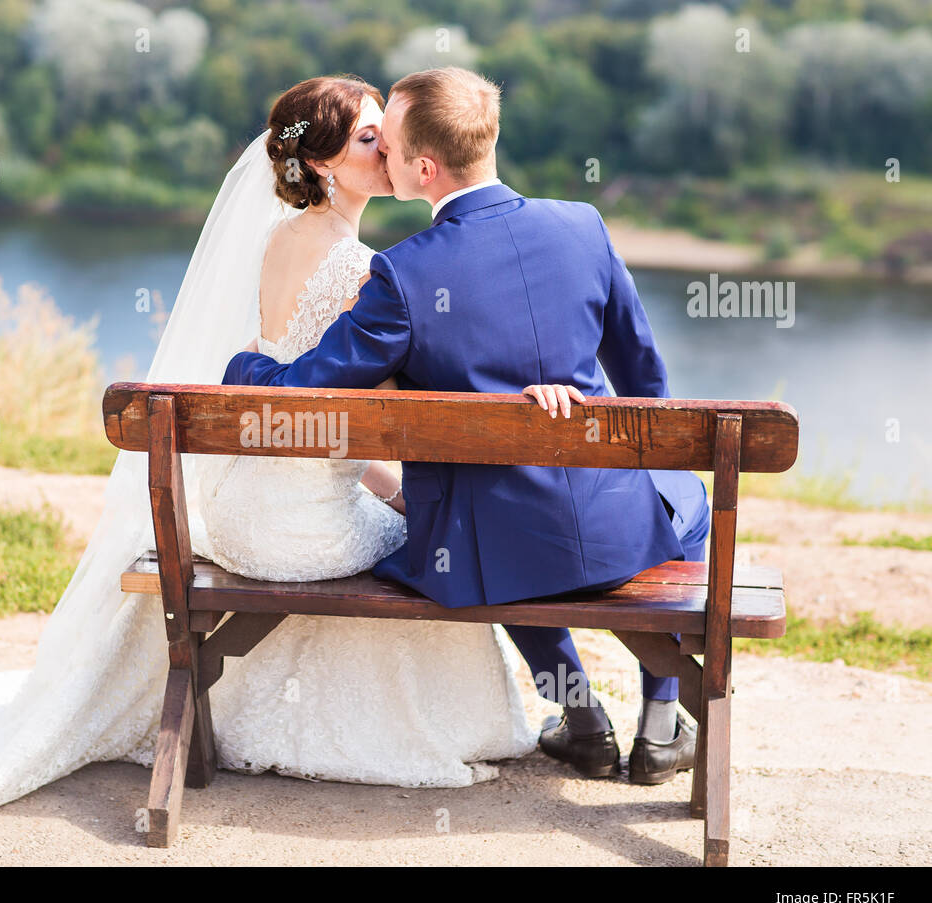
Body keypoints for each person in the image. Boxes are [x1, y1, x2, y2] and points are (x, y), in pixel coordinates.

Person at [0, 74, 537, 846]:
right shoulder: (363, 271)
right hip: (296, 530)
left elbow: (296, 417)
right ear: (319, 162)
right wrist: (405, 484)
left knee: (388, 514)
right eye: (365, 139)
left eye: (382, 138)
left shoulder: (281, 239)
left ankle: (269, 718)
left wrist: (368, 481)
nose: (384, 150)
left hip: (241, 513)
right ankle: (438, 724)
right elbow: (351, 429)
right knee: (424, 540)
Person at [223, 66, 714, 786]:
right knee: (686, 506)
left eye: (384, 141)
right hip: (616, 531)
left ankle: (580, 719)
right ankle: (664, 721)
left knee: (491, 521)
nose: (379, 155)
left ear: (422, 168)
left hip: (484, 551)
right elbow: (647, 384)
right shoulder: (583, 226)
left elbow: (309, 387)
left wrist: (246, 369)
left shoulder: (402, 276)